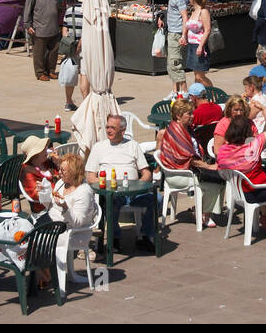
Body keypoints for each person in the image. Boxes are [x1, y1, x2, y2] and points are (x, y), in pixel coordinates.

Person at [84, 114, 155, 247]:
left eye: (113, 128)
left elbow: (146, 173)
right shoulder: (99, 147)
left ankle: (145, 236)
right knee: (111, 203)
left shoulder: (133, 145)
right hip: (111, 192)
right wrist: (105, 186)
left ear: (122, 130)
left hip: (133, 191)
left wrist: (139, 185)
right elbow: (90, 177)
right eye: (107, 127)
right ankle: (114, 238)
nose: (109, 130)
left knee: (157, 200)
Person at [216, 114, 266, 238]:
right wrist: (265, 109)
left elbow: (221, 172)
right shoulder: (253, 146)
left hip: (238, 193)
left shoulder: (223, 151)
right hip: (255, 193)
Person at [156, 98, 223, 226]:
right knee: (215, 181)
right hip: (179, 174)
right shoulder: (175, 132)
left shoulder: (187, 128)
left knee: (221, 176)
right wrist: (209, 166)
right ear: (178, 115)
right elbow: (189, 159)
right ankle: (203, 213)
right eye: (189, 114)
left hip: (190, 169)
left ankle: (203, 212)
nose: (193, 116)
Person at [24, 0, 64, 81]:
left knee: (54, 51)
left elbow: (59, 6)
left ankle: (50, 71)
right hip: (39, 29)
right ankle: (40, 73)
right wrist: (27, 25)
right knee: (39, 53)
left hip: (54, 28)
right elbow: (27, 9)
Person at [48, 153, 96, 232]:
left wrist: (65, 208)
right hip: (53, 223)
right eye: (59, 169)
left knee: (32, 238)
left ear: (73, 172)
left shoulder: (84, 192)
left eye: (62, 170)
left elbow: (78, 223)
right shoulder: (61, 183)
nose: (59, 172)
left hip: (71, 232)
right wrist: (44, 192)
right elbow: (49, 205)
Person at [159, 0, 188, 95]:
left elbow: (185, 16)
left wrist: (183, 35)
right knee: (171, 63)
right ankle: (175, 91)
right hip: (173, 32)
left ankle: (184, 93)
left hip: (176, 34)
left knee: (175, 64)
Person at [16, 135, 59, 212]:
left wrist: (57, 163)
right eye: (43, 149)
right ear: (36, 154)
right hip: (44, 208)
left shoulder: (47, 163)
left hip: (58, 201)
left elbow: (63, 178)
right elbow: (37, 195)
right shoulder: (27, 171)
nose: (46, 150)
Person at [184, 0, 213, 89]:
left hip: (199, 45)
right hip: (192, 45)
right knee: (196, 75)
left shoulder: (203, 12)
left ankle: (213, 93)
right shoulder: (193, 11)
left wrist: (201, 46)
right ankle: (199, 95)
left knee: (200, 76)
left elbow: (207, 29)